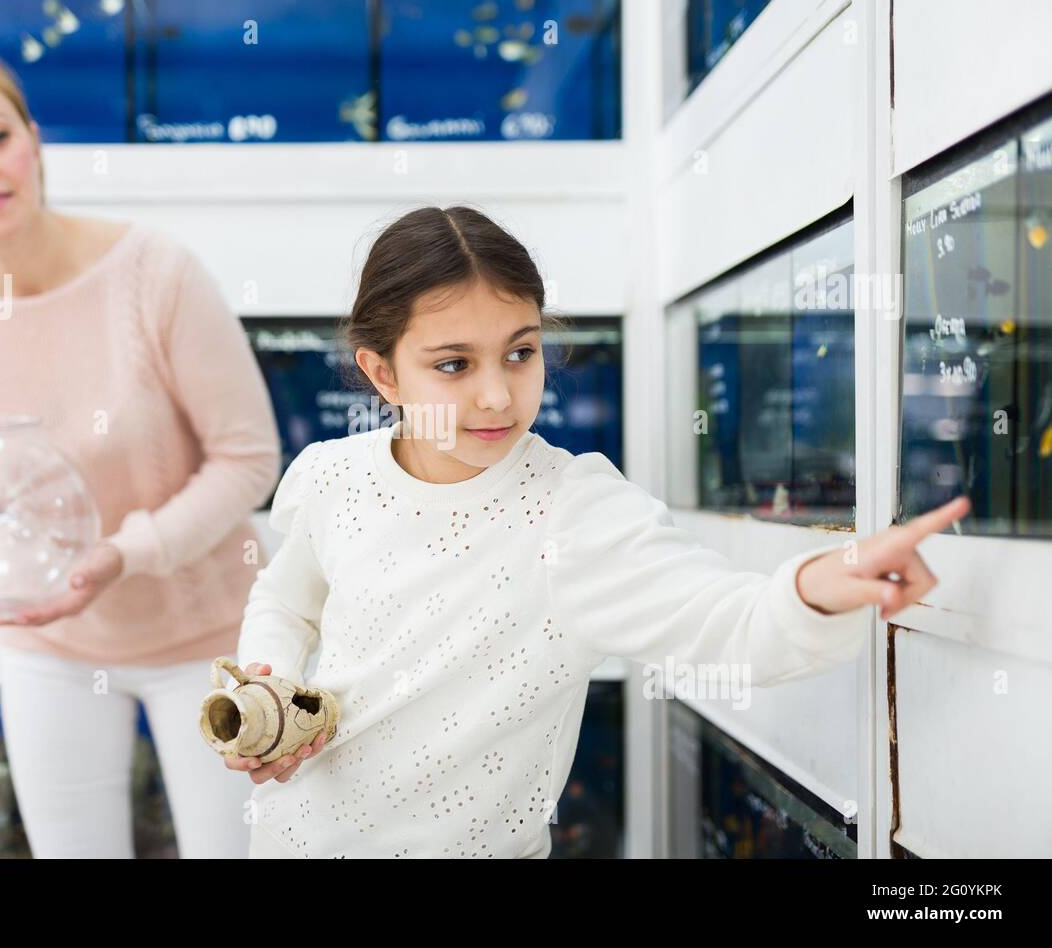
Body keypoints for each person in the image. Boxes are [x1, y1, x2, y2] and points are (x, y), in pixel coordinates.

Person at [224, 205, 970, 858]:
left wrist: (818, 585)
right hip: (291, 838)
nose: (497, 394)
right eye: (454, 364)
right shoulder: (334, 476)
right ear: (382, 375)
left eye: (521, 352)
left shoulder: (572, 508)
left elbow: (726, 623)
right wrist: (268, 678)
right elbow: (285, 601)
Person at [0, 44, 281, 858]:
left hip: (216, 638)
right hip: (49, 643)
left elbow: (250, 459)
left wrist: (123, 555)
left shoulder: (154, 274)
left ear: (32, 138)